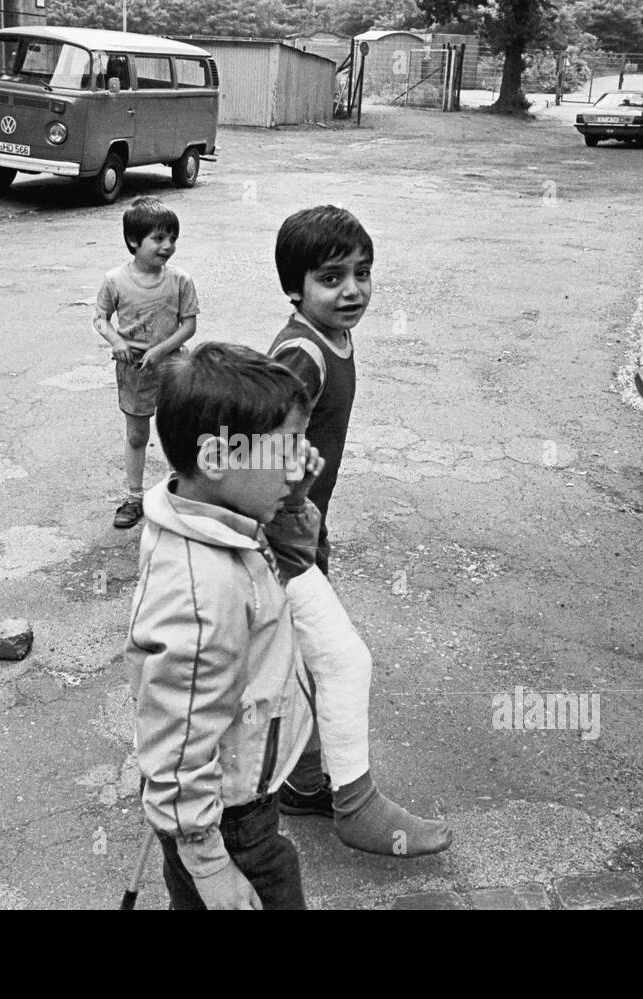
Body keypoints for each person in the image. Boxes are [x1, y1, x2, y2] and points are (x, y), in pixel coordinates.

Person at [266, 205, 451, 856]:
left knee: (305, 660)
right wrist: (289, 506)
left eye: (362, 274)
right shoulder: (302, 351)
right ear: (296, 288)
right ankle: (356, 805)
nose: (352, 290)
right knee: (344, 660)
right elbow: (257, 440)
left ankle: (305, 778)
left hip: (302, 530)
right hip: (275, 541)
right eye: (332, 277)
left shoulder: (333, 335)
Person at [126, 342, 322, 909]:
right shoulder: (199, 595)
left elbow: (286, 569)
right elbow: (178, 750)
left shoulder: (213, 515)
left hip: (236, 796)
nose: (297, 462)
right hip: (227, 824)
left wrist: (291, 503)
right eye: (285, 448)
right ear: (215, 458)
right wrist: (213, 869)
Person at [94, 196, 199, 529]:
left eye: (172, 239)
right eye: (159, 238)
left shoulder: (180, 280)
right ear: (133, 241)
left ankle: (178, 493)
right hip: (133, 370)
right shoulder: (115, 280)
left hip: (172, 367)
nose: (168, 246)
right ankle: (134, 497)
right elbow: (100, 318)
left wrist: (161, 350)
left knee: (175, 432)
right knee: (137, 435)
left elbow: (189, 325)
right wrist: (118, 341)